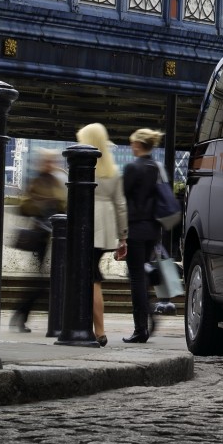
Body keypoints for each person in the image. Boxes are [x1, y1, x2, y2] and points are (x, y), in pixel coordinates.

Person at [75, 122, 128, 347]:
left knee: (91, 277)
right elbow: (121, 205)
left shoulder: (81, 166)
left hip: (86, 225)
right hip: (105, 229)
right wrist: (123, 236)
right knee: (92, 274)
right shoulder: (113, 171)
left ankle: (98, 329)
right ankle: (95, 327)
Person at [9, 149, 67, 332]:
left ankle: (21, 315)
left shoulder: (56, 181)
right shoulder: (37, 181)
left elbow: (64, 205)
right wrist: (47, 202)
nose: (52, 164)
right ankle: (21, 314)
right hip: (40, 236)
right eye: (49, 161)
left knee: (44, 280)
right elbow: (24, 206)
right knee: (42, 281)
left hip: (53, 236)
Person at [122, 127, 164, 343]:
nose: (131, 147)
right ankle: (148, 313)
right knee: (142, 274)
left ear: (138, 145)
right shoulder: (156, 167)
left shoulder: (132, 167)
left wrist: (120, 232)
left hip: (135, 229)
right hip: (153, 229)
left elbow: (123, 199)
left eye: (132, 143)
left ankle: (141, 329)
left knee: (136, 278)